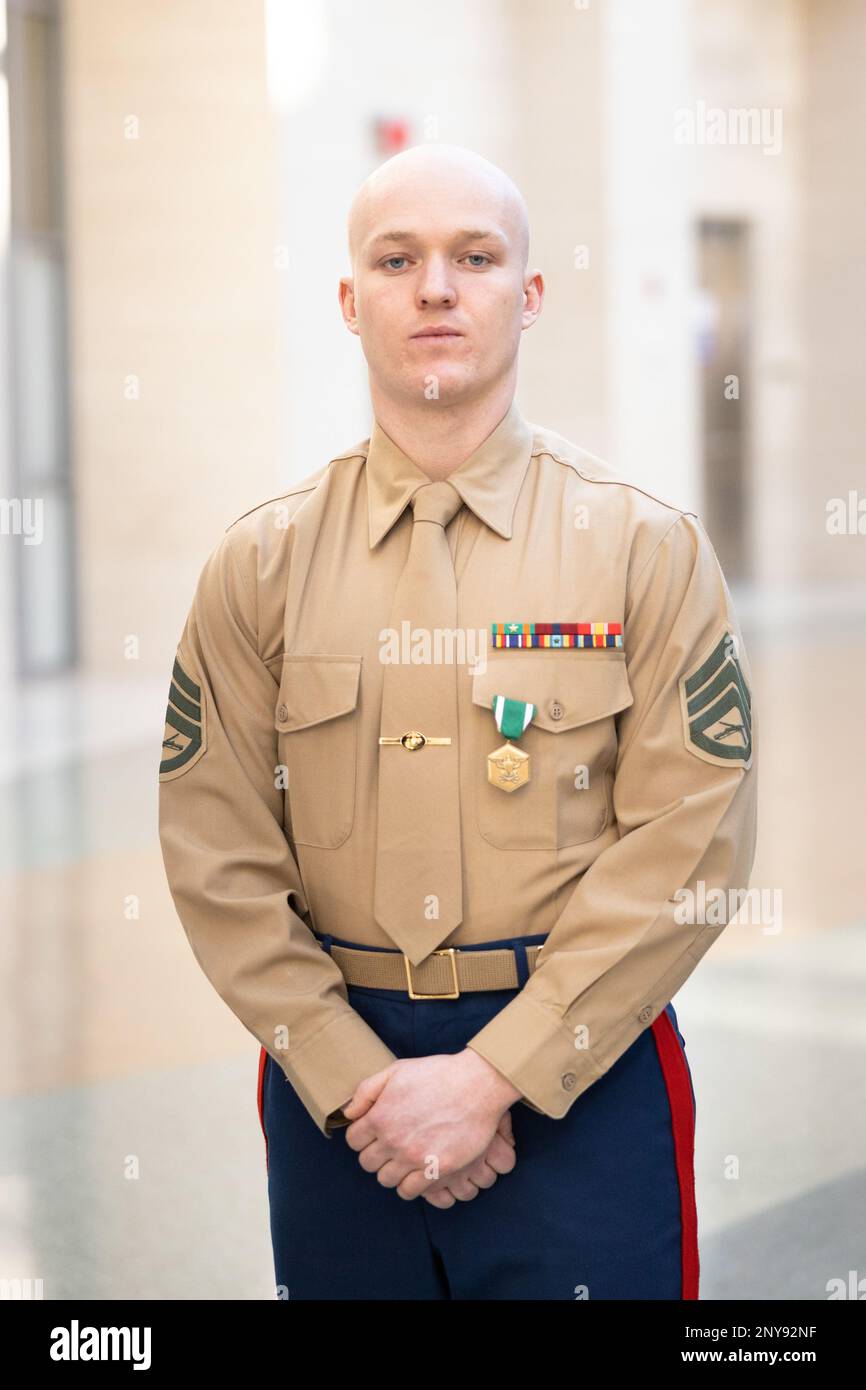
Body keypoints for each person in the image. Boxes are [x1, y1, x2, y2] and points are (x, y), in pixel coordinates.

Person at [158, 143, 758, 1300]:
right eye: (397, 259)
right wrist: (349, 1076)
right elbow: (215, 848)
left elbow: (694, 839)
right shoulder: (261, 563)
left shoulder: (641, 548)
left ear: (526, 295)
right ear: (349, 299)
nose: (435, 287)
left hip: (584, 1066)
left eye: (473, 257)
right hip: (342, 1093)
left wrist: (494, 1075)